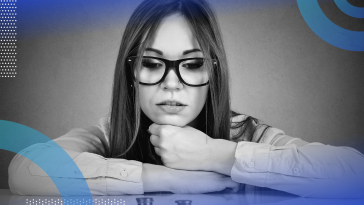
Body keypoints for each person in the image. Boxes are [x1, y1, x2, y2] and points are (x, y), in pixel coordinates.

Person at [8, 0, 364, 198]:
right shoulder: (111, 134)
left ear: (213, 73)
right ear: (130, 74)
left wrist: (215, 154)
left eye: (192, 64)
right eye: (152, 63)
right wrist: (169, 178)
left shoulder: (245, 133)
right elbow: (25, 170)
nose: (172, 83)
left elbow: (354, 175)